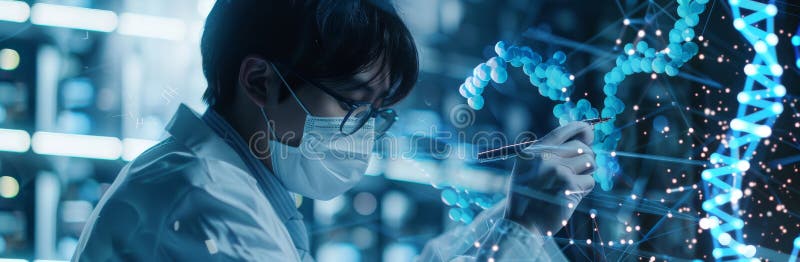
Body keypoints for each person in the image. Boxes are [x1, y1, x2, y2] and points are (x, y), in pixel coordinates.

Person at [72, 0, 596, 261]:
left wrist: (506, 218)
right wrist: (520, 234)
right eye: (352, 102)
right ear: (259, 80)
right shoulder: (206, 202)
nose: (363, 133)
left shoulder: (226, 183)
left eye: (377, 110)